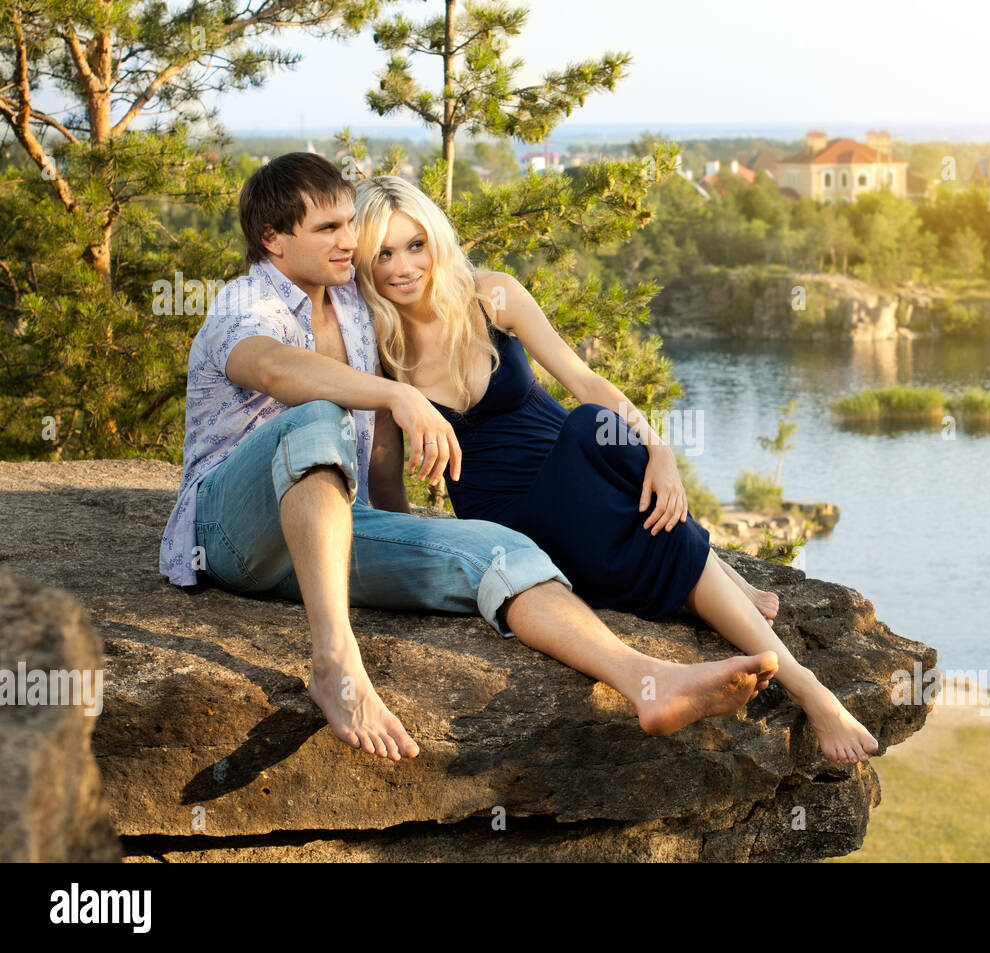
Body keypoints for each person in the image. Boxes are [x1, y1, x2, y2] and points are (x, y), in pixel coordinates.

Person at [159, 152, 779, 763]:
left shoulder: (355, 306)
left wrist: (402, 516)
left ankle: (648, 681)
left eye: (351, 224)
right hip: (234, 530)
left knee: (497, 549)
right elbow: (272, 367)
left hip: (325, 531)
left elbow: (382, 457)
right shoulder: (243, 304)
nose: (349, 241)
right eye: (329, 229)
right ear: (272, 238)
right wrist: (399, 394)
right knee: (316, 413)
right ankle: (334, 663)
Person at [350, 175, 878, 765]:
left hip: (579, 467)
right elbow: (383, 465)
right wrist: (405, 549)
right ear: (364, 263)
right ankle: (728, 584)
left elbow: (586, 383)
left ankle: (808, 688)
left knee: (591, 425)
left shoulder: (491, 297)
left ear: (436, 242)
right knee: (605, 460)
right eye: (383, 253)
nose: (402, 266)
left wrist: (662, 451)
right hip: (509, 518)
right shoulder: (378, 349)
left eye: (414, 245)